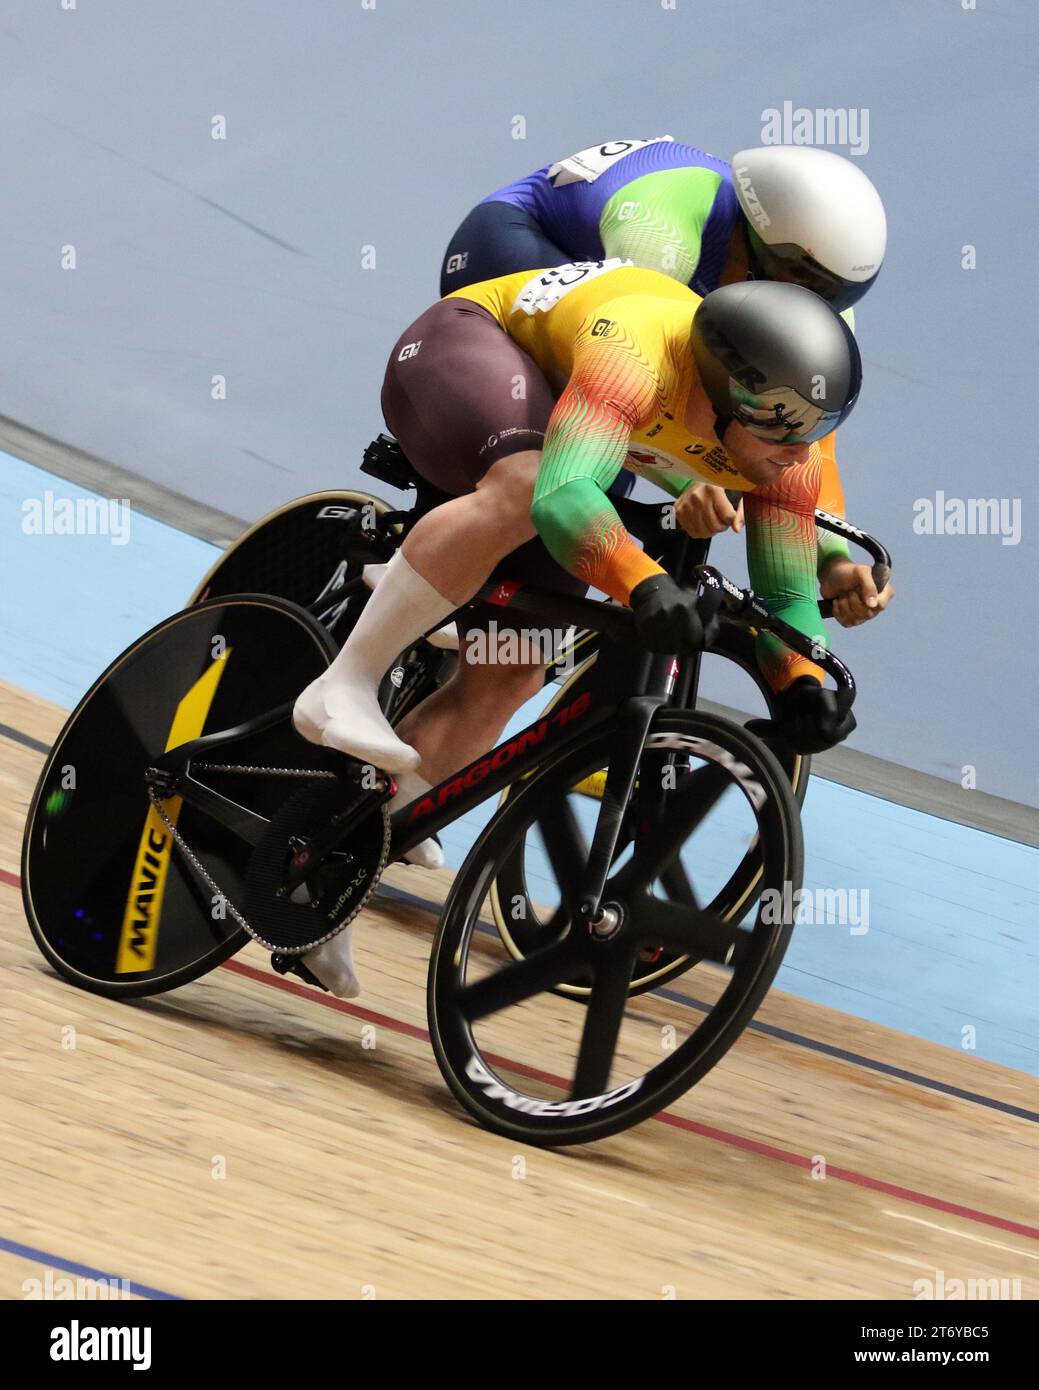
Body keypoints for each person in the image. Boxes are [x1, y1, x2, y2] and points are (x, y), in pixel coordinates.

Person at [292, 261, 893, 996]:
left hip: (577, 427)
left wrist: (800, 682)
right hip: (471, 350)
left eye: (819, 432)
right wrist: (639, 582)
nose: (801, 455)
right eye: (784, 430)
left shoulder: (783, 445)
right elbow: (565, 494)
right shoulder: (637, 350)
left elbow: (785, 587)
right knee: (523, 482)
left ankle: (330, 875)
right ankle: (344, 681)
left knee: (511, 670)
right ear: (723, 395)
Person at [442, 136, 886, 569]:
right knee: (595, 430)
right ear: (748, 233)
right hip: (515, 245)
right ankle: (431, 551)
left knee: (599, 487)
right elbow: (626, 361)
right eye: (787, 277)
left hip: (622, 302)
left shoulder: (815, 318)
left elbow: (809, 442)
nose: (790, 300)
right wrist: (688, 478)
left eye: (823, 293)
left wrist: (833, 558)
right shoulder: (664, 229)